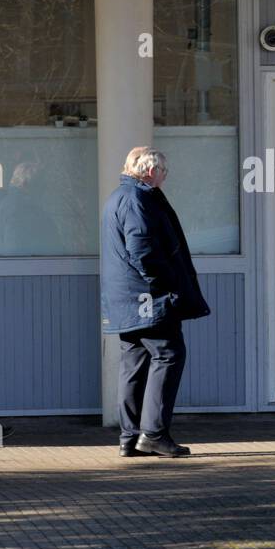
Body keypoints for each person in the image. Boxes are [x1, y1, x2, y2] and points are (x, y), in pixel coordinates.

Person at [100, 146, 210, 458]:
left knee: (134, 363)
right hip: (147, 298)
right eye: (163, 171)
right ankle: (153, 433)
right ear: (150, 171)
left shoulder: (119, 197)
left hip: (127, 299)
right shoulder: (138, 200)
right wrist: (168, 285)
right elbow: (142, 251)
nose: (164, 176)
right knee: (169, 354)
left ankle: (130, 437)